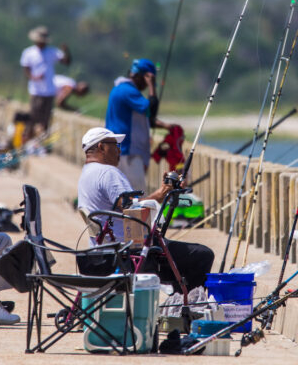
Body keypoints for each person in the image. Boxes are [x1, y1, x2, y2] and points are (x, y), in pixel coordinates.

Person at [76, 126, 213, 290]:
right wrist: (161, 194)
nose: (119, 151)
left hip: (104, 250)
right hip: (130, 251)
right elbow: (133, 210)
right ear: (101, 147)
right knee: (202, 255)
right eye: (115, 146)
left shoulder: (86, 173)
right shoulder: (108, 173)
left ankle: (176, 299)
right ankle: (183, 304)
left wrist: (159, 194)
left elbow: (128, 206)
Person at [105, 58, 174, 195]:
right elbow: (151, 110)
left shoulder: (119, 89)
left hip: (119, 150)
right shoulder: (129, 91)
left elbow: (145, 117)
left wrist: (167, 126)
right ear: (144, 76)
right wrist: (152, 87)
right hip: (128, 152)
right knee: (137, 197)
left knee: (121, 195)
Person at [19, 26, 70, 142]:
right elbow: (26, 70)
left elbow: (66, 61)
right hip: (35, 90)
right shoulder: (28, 52)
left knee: (46, 119)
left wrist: (66, 51)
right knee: (32, 117)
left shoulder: (52, 51)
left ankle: (42, 142)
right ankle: (26, 140)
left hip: (49, 90)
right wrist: (34, 77)